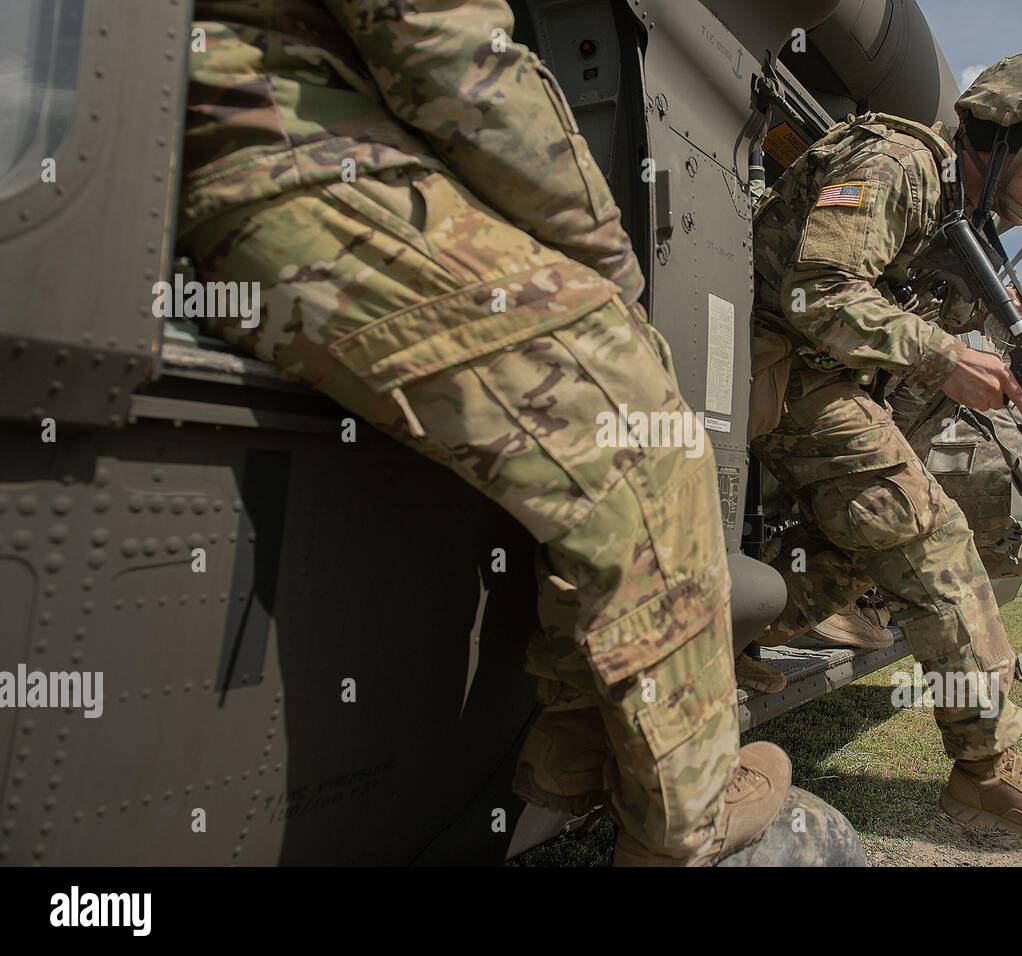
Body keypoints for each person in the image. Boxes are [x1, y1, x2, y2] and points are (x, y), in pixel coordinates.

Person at [178, 0, 860, 866]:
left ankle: (573, 752)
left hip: (266, 135)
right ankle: (687, 818)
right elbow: (452, 52)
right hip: (283, 154)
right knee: (646, 427)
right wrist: (612, 265)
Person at [748, 54, 1022, 844]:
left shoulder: (962, 220)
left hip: (832, 386)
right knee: (929, 534)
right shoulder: (901, 163)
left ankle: (712, 649)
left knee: (840, 566)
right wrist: (948, 360)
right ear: (1006, 135)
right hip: (790, 376)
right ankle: (986, 772)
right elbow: (818, 292)